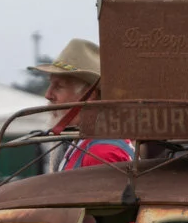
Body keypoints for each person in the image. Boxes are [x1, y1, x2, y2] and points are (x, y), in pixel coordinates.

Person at [28, 38, 133, 171]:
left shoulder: (101, 153)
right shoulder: (84, 143)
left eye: (58, 86)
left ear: (89, 96)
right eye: (50, 84)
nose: (48, 95)